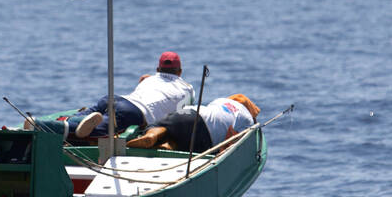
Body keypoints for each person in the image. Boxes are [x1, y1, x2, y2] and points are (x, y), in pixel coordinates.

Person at [66, 52, 195, 143]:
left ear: (157, 69)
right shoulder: (187, 89)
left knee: (83, 116)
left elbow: (144, 80)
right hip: (133, 111)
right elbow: (183, 116)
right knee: (97, 133)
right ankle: (83, 127)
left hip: (115, 99)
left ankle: (67, 121)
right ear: (180, 71)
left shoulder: (148, 79)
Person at [129, 93, 260, 153]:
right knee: (183, 144)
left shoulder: (222, 101)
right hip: (206, 136)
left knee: (164, 127)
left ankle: (152, 136)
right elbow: (231, 137)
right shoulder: (247, 119)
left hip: (191, 114)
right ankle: (169, 147)